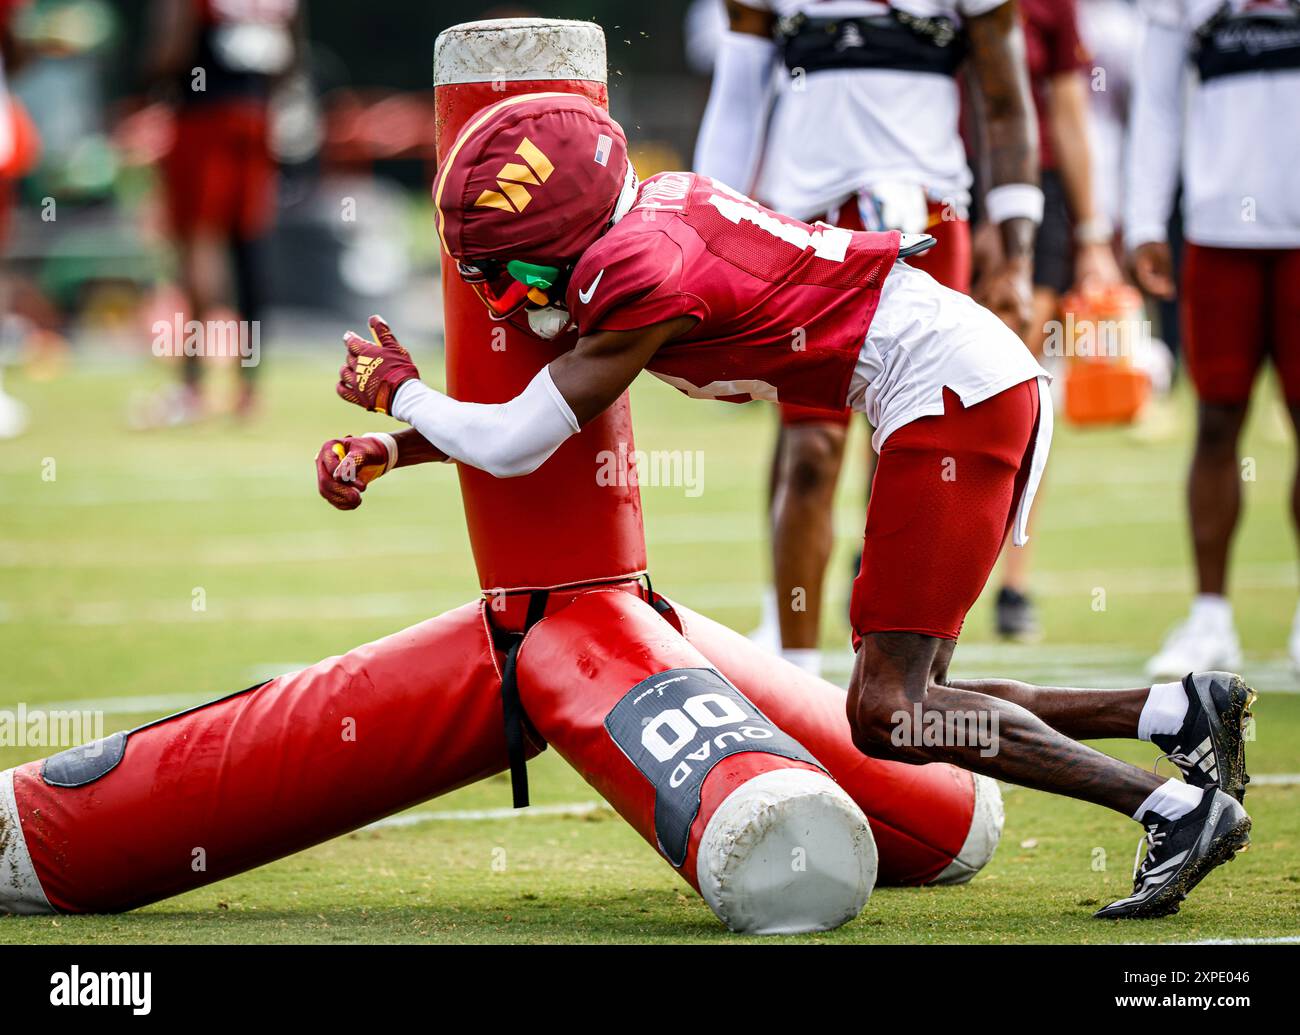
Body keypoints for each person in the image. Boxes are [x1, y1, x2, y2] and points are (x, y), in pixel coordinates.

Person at [317, 94, 1253, 919]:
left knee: (889, 713)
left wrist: (399, 393)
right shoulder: (651, 218)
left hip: (949, 400)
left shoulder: (636, 274)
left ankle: (1170, 806)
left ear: (563, 237)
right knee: (921, 700)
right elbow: (552, 407)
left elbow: (523, 439)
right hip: (963, 381)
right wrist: (399, 447)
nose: (501, 293)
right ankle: (1177, 711)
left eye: (507, 267)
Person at [693, 0, 1040, 671]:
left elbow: (1004, 96)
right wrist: (716, 231)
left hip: (932, 214)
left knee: (913, 445)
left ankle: (896, 665)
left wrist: (1020, 250)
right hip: (807, 223)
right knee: (811, 447)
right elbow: (737, 99)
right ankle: (795, 663)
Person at [1129, 0, 1300, 678]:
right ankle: (1210, 614)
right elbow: (1158, 95)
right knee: (1216, 418)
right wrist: (1144, 215)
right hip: (1219, 223)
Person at [136, 0, 301, 426]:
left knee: (197, 245)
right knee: (249, 247)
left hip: (200, 119)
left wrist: (146, 76)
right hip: (257, 118)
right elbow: (290, 57)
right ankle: (248, 391)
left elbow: (170, 52)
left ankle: (193, 386)